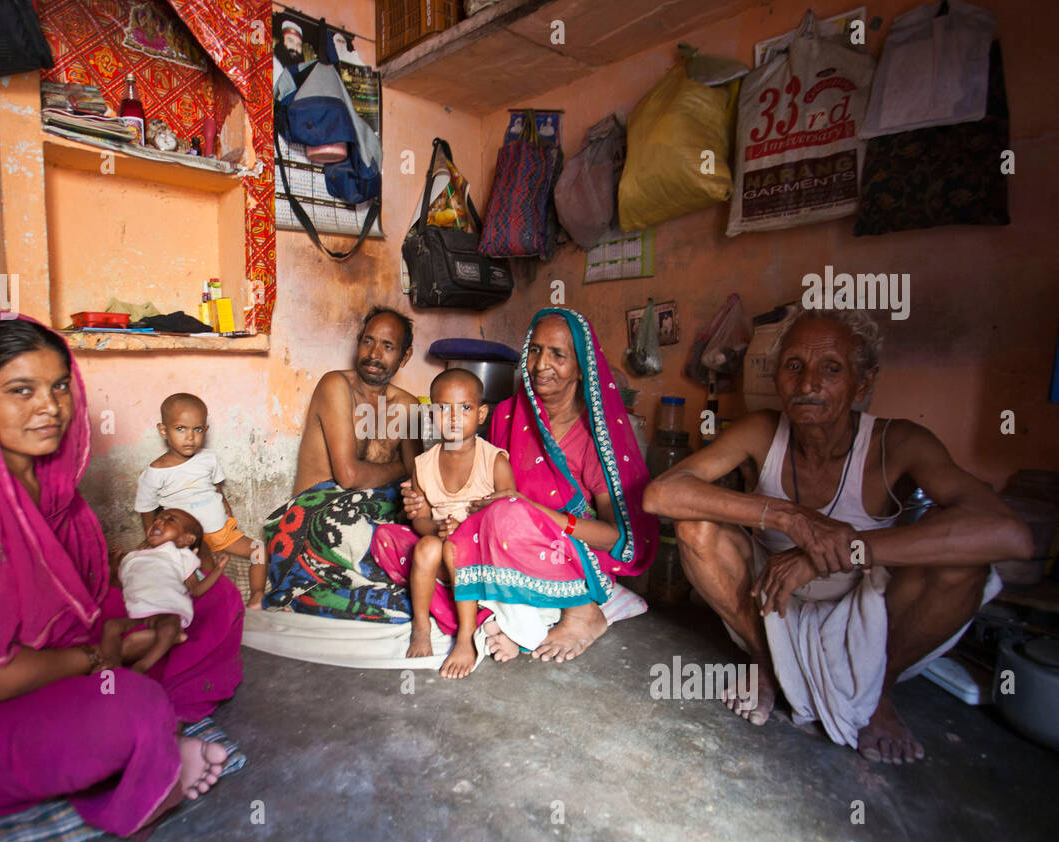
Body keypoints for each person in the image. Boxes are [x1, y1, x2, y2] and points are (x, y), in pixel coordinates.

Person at [0, 313, 244, 838]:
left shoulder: (55, 489)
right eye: (20, 389)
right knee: (130, 708)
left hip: (56, 655)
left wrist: (153, 617)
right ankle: (146, 755)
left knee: (212, 604)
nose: (49, 406)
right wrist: (105, 655)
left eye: (59, 386)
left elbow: (87, 599)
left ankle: (144, 732)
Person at [643, 305, 1033, 764]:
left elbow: (1009, 535)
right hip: (772, 603)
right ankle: (768, 665)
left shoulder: (898, 442)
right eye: (794, 366)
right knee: (695, 524)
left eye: (831, 368)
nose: (808, 384)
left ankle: (877, 691)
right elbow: (662, 494)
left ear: (863, 383)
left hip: (867, 617)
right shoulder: (763, 429)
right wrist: (793, 519)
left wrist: (851, 550)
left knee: (965, 564)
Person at [390, 307, 657, 662]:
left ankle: (580, 609)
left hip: (560, 550)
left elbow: (615, 535)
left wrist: (535, 513)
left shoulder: (595, 438)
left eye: (558, 354)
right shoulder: (508, 414)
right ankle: (504, 616)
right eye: (534, 351)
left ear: (581, 368)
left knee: (505, 517)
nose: (541, 364)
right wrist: (425, 504)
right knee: (403, 544)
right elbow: (479, 486)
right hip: (494, 540)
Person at [263, 306, 421, 621]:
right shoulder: (335, 385)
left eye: (387, 346)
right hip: (320, 511)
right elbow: (348, 477)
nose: (374, 354)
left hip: (376, 513)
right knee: (346, 529)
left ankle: (381, 582)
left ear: (404, 357)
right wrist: (402, 469)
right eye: (368, 341)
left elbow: (418, 477)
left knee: (419, 541)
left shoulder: (409, 406)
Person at [376, 369, 514, 676]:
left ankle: (465, 635)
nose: (452, 418)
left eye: (464, 408)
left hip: (484, 553)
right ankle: (421, 624)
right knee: (424, 548)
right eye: (442, 409)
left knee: (455, 549)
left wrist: (468, 530)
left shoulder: (494, 462)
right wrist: (439, 529)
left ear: (481, 414)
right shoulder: (422, 465)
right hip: (442, 544)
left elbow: (511, 518)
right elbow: (421, 521)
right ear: (431, 414)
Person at [135, 393, 265, 609]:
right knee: (203, 563)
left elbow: (215, 487)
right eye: (180, 429)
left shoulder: (208, 458)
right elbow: (147, 509)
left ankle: (258, 595)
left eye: (197, 429)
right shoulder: (156, 472)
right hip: (187, 538)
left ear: (205, 430)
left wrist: (225, 506)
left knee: (259, 548)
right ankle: (209, 604)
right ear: (163, 430)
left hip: (221, 532)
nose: (190, 437)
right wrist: (152, 536)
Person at [118, 508, 229, 674]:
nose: (158, 521)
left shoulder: (180, 556)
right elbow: (121, 586)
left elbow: (196, 590)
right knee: (111, 627)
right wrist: (114, 565)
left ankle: (144, 664)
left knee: (167, 627)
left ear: (186, 539)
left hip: (165, 611)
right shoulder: (133, 556)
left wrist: (218, 569)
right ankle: (109, 662)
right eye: (157, 519)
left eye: (170, 520)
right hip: (136, 613)